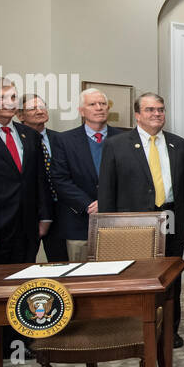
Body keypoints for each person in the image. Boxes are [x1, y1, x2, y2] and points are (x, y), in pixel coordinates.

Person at [97, 92, 184, 347]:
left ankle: (170, 331)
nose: (157, 114)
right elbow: (107, 189)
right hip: (134, 223)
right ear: (137, 115)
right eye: (150, 110)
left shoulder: (179, 144)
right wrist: (108, 227)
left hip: (172, 217)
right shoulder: (116, 145)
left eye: (160, 109)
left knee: (171, 276)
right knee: (139, 277)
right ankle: (137, 329)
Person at [0, 77, 52, 265]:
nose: (9, 102)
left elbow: (40, 178)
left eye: (13, 97)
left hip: (28, 226)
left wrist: (45, 215)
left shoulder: (30, 135)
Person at [49, 88, 128, 262]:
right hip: (79, 222)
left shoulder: (126, 139)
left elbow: (130, 178)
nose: (99, 108)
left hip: (117, 221)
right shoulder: (64, 140)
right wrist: (87, 204)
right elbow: (60, 179)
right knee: (82, 279)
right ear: (81, 111)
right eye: (92, 104)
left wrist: (106, 202)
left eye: (103, 104)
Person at [15, 93, 68, 261]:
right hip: (27, 211)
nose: (39, 111)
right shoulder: (15, 139)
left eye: (42, 107)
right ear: (20, 115)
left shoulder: (61, 139)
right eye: (32, 108)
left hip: (59, 209)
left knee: (60, 260)